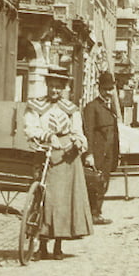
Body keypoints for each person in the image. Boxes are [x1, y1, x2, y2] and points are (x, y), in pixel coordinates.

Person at [24, 71, 94, 259]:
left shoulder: (71, 108)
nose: (55, 90)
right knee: (45, 200)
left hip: (66, 157)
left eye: (58, 87)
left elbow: (78, 131)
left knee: (63, 201)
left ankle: (58, 246)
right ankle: (41, 246)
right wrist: (48, 136)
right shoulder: (36, 105)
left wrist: (79, 142)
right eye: (52, 85)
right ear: (47, 85)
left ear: (64, 89)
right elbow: (30, 128)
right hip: (45, 153)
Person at [81, 71, 120, 225]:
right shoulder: (92, 107)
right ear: (99, 89)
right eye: (105, 89)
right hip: (96, 153)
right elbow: (88, 131)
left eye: (110, 89)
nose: (108, 92)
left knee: (104, 183)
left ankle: (97, 212)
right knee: (94, 183)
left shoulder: (110, 108)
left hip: (108, 153)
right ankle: (93, 213)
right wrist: (89, 154)